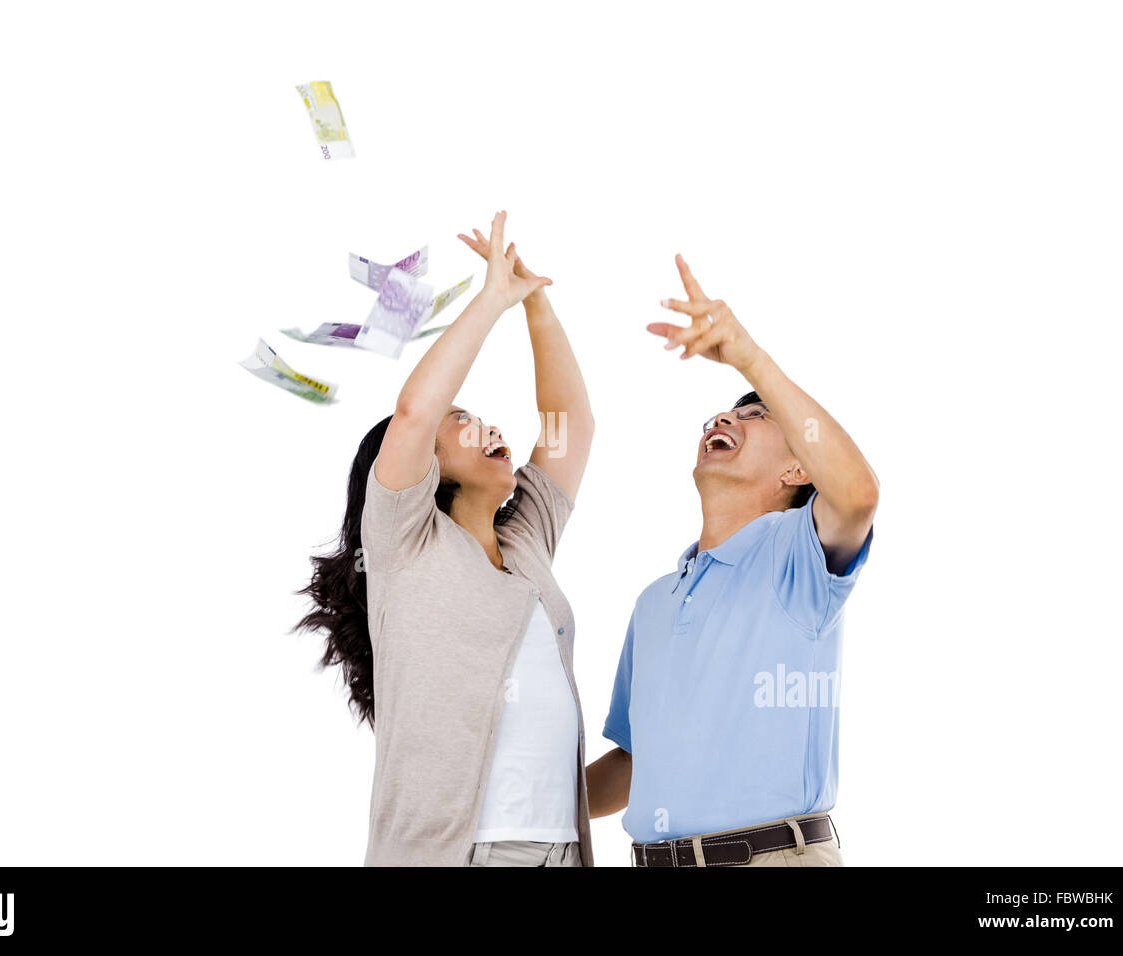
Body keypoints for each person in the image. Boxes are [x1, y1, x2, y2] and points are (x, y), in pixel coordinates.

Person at [296, 211, 596, 867]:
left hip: (562, 851)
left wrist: (534, 302)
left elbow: (569, 424)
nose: (485, 423)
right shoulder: (404, 544)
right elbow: (414, 412)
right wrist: (489, 303)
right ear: (425, 469)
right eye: (460, 421)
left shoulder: (526, 542)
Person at [586, 254, 878, 867]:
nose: (723, 418)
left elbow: (857, 493)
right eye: (722, 414)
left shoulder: (799, 556)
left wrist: (747, 355)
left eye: (753, 416)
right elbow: (637, 764)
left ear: (798, 469)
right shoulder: (655, 601)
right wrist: (526, 799)